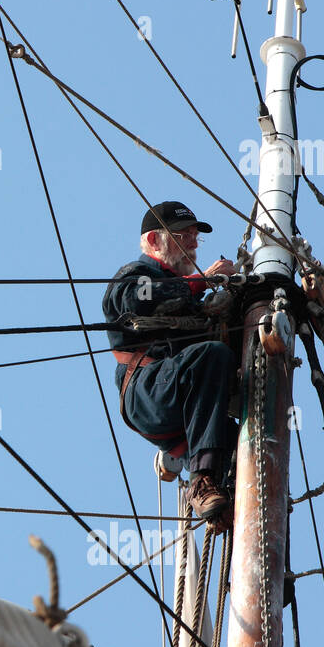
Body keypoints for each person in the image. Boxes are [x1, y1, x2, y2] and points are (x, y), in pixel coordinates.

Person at [101, 202, 237, 534]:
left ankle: (231, 508)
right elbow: (131, 300)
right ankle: (202, 481)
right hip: (147, 389)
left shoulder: (192, 298)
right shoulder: (136, 275)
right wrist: (201, 281)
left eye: (195, 236)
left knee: (247, 448)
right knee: (213, 355)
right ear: (153, 239)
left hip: (183, 405)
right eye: (184, 235)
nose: (193, 242)